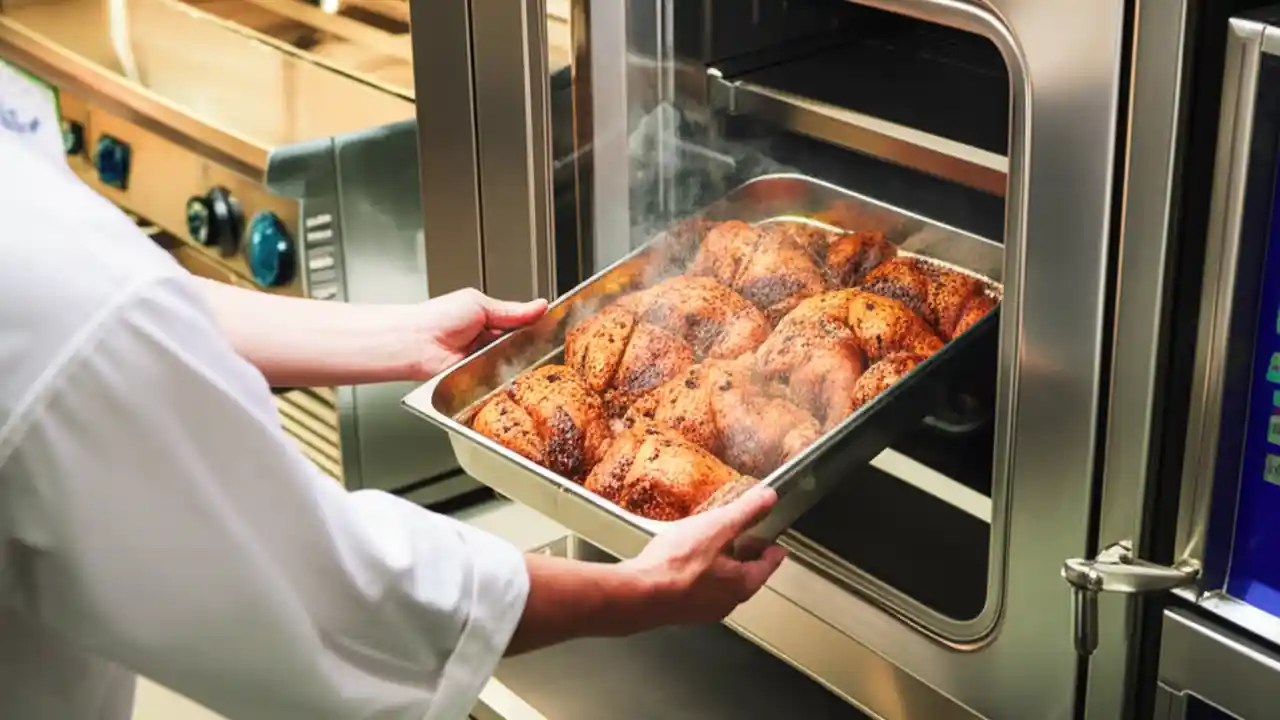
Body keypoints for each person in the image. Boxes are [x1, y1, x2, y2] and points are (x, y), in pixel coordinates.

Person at [0, 126, 786, 720]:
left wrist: (401, 338)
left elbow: (133, 305)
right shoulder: (63, 313)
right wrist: (637, 590)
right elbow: (327, 592)